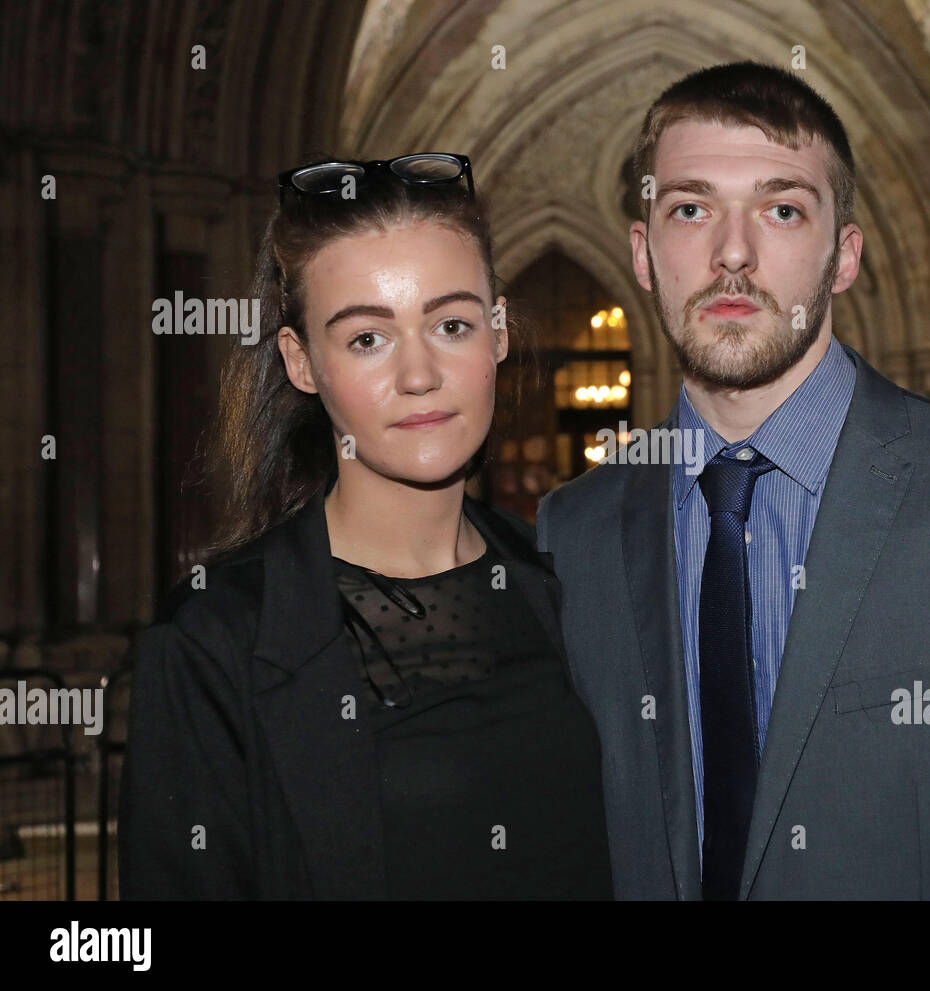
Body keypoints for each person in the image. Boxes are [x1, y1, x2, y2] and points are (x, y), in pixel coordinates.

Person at [537, 62, 930, 899]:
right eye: (691, 209)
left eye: (782, 209)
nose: (732, 252)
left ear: (843, 257)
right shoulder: (570, 531)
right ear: (645, 255)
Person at [119, 154, 612, 899]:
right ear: (302, 361)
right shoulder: (216, 639)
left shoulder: (561, 579)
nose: (419, 374)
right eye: (366, 339)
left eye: (451, 324)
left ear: (499, 332)